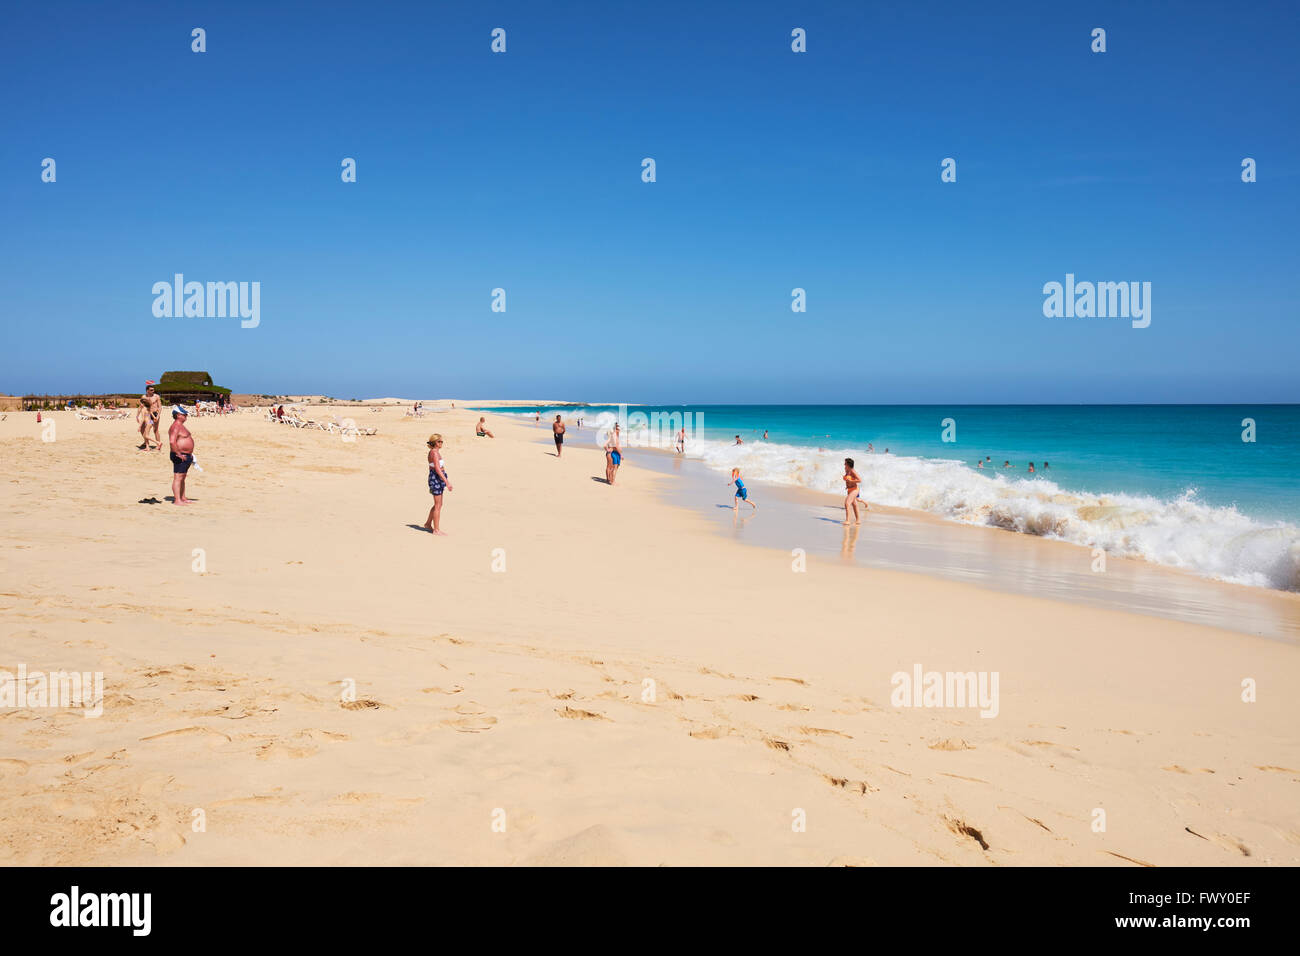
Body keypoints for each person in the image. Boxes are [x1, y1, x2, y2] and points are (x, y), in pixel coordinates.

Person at [422, 434, 451, 535]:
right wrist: (447, 482)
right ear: (435, 442)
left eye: (442, 441)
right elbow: (438, 469)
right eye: (439, 441)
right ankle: (436, 530)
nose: (441, 443)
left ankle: (428, 524)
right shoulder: (434, 453)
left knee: (438, 504)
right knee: (438, 505)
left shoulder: (436, 452)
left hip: (438, 478)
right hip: (436, 478)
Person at [168, 406, 195, 505]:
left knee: (182, 477)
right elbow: (172, 441)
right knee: (178, 477)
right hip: (180, 455)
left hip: (186, 455)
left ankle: (182, 497)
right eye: (184, 415)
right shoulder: (175, 426)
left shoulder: (180, 425)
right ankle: (177, 500)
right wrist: (178, 453)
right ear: (178, 415)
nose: (186, 416)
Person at [137, 382, 162, 450]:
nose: (153, 391)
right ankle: (146, 443)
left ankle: (158, 444)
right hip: (148, 414)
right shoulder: (144, 397)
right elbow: (140, 407)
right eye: (151, 390)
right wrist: (137, 416)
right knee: (142, 428)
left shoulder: (156, 396)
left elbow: (160, 407)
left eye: (153, 390)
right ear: (147, 390)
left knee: (155, 430)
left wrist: (157, 416)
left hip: (155, 413)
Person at [843, 458, 867, 523]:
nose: (844, 464)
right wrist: (847, 486)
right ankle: (858, 520)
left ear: (848, 464)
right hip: (849, 490)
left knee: (847, 503)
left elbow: (859, 480)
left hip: (854, 489)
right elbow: (847, 479)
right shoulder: (846, 470)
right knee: (854, 505)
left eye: (845, 463)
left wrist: (851, 481)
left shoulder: (853, 471)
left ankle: (847, 521)